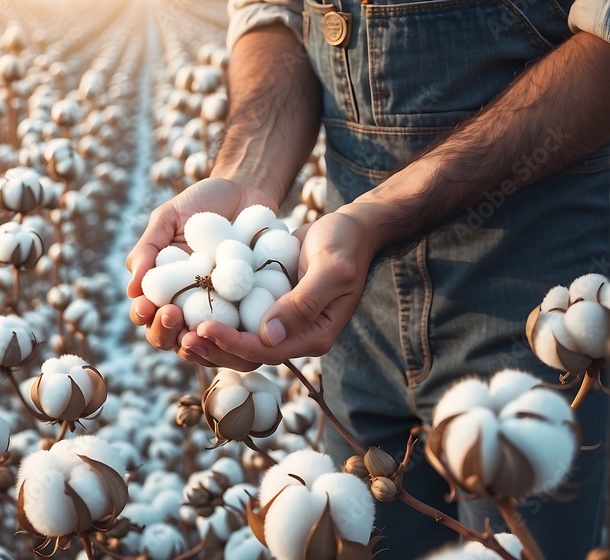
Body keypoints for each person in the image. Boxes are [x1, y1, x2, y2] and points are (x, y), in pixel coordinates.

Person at [127, 0, 610, 557]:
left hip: (535, 296)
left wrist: (378, 216)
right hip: (350, 298)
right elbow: (272, 18)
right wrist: (246, 178)